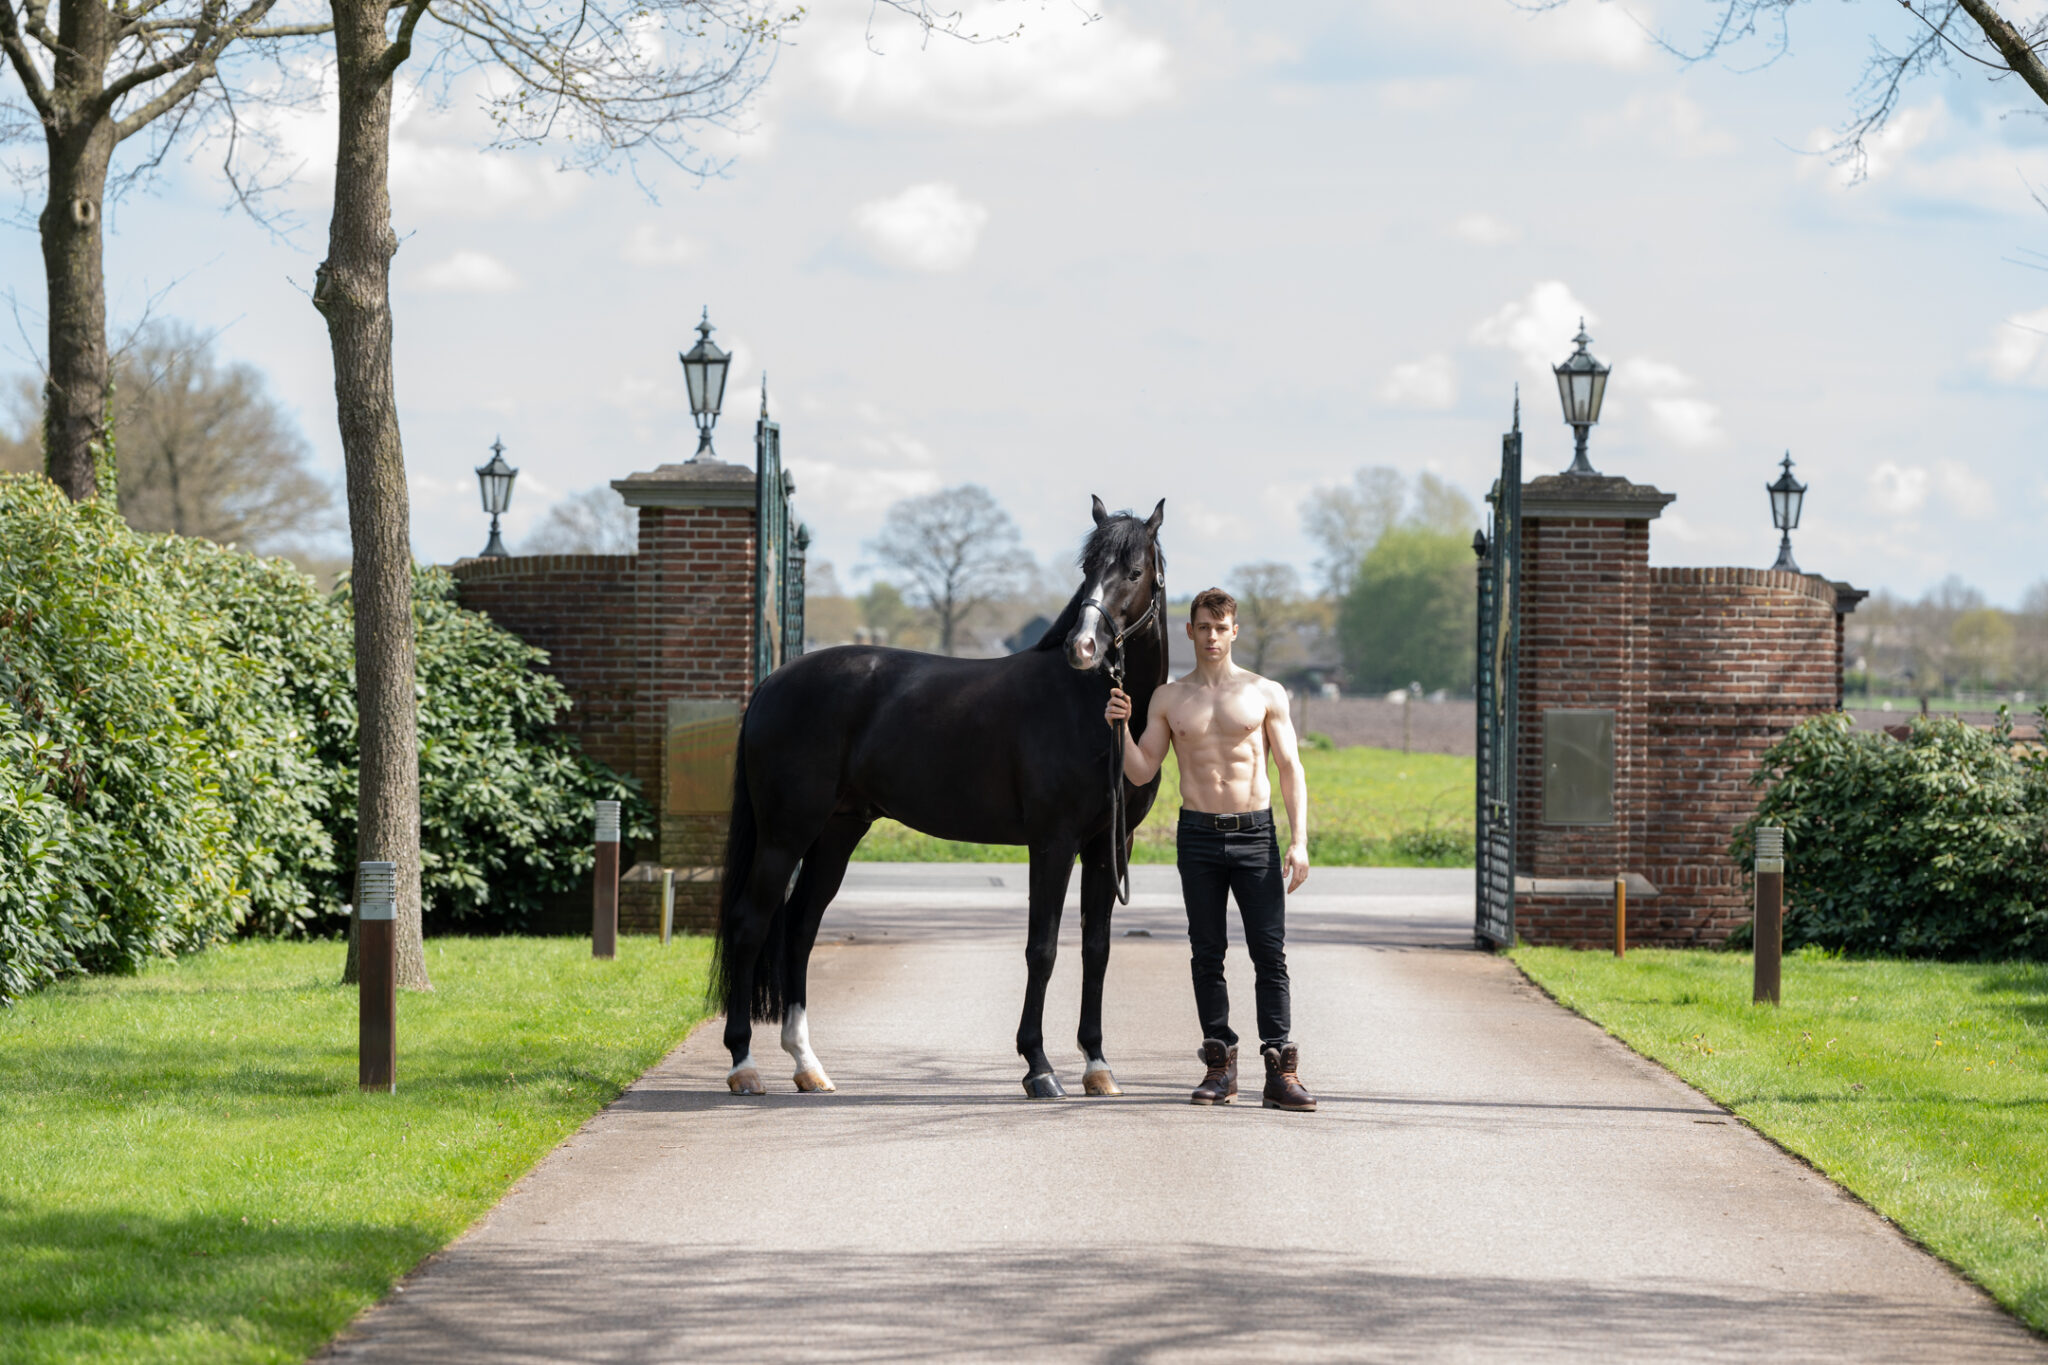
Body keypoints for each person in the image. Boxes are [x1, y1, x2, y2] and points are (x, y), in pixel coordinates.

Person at [1105, 586, 1316, 1112]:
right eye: (1203, 627)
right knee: (1207, 953)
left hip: (1256, 834)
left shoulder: (1265, 692)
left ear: (1234, 631)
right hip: (1198, 835)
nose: (1212, 637)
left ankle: (1281, 1070)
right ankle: (1219, 1066)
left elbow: (1290, 768)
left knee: (1269, 953)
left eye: (1221, 628)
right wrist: (1119, 729)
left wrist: (1299, 841)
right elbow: (1141, 770)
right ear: (1190, 631)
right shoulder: (1169, 698)